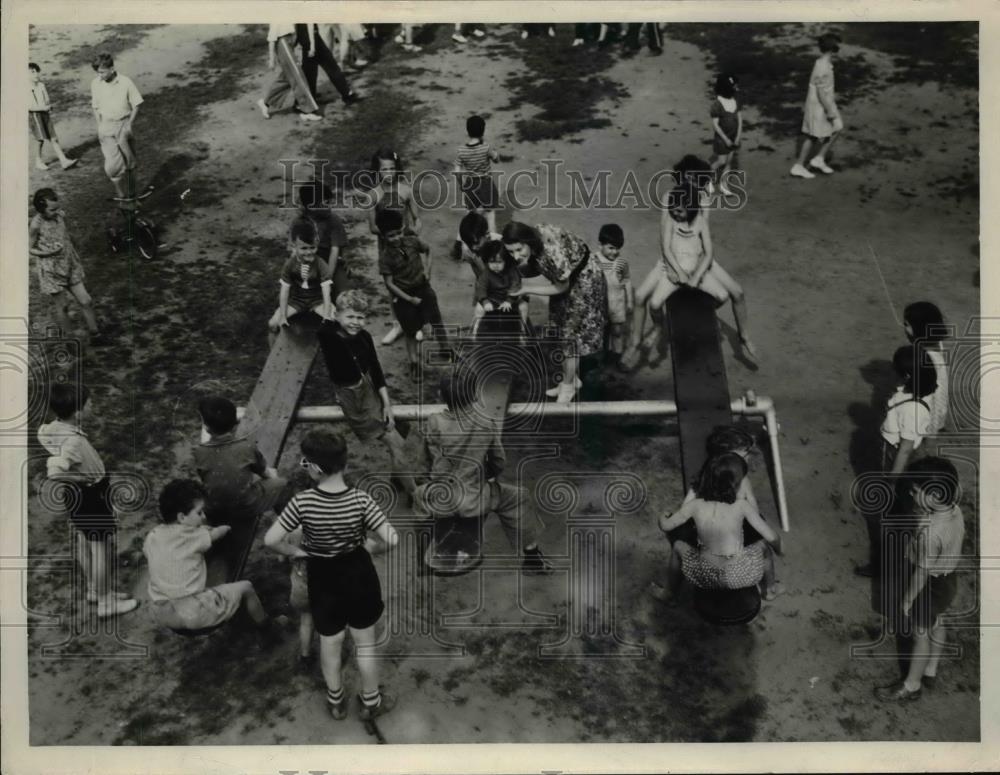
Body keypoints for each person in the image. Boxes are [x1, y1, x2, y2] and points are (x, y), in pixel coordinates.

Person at [264, 427, 399, 722]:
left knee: (330, 641)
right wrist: (372, 547)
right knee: (365, 643)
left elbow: (271, 539)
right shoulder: (362, 500)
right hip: (359, 575)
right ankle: (371, 701)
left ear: (314, 469)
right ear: (345, 463)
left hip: (323, 578)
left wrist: (297, 552)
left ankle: (336, 701)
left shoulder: (302, 503)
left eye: (305, 463)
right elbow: (393, 538)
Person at [416, 371, 553, 573]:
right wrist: (482, 476)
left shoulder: (434, 421)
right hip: (474, 498)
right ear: (474, 396)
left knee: (420, 497)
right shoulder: (485, 422)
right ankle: (533, 559)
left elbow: (422, 464)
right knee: (518, 498)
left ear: (441, 396)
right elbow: (499, 462)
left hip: (441, 497)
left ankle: (422, 560)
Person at [621, 181, 757, 370]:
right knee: (649, 301)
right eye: (674, 210)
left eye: (680, 211)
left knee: (726, 294)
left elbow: (707, 251)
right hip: (675, 266)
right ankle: (652, 331)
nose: (675, 213)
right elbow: (666, 245)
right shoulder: (671, 209)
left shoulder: (701, 213)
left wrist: (696, 276)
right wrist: (676, 271)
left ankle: (732, 331)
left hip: (696, 265)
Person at [37, 384, 137, 617]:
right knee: (100, 547)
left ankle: (94, 589)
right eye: (88, 403)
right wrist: (81, 478)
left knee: (85, 542)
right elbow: (55, 473)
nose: (92, 405)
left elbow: (42, 434)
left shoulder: (53, 428)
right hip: (91, 496)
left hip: (77, 497)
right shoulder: (72, 442)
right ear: (78, 413)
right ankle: (105, 603)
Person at [874, 456, 965, 702]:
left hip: (928, 585)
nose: (911, 495)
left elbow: (922, 573)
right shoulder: (954, 510)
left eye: (916, 491)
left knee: (919, 633)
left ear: (935, 495)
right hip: (947, 580)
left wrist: (907, 601)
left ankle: (912, 685)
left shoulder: (931, 533)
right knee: (937, 621)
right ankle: (930, 669)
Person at [144, 480, 279, 641]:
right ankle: (267, 628)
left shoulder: (153, 535)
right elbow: (216, 534)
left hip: (163, 612)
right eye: (199, 512)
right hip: (194, 614)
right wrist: (225, 528)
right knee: (246, 587)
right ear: (181, 517)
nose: (204, 516)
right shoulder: (194, 536)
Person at [316, 290, 415, 495]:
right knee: (398, 444)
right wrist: (330, 309)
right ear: (336, 316)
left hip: (368, 385)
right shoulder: (330, 338)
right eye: (350, 317)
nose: (355, 322)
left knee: (402, 429)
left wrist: (387, 405)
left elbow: (376, 369)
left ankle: (399, 478)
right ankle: (415, 494)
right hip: (354, 398)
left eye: (360, 317)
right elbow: (323, 328)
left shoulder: (364, 337)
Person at [654, 452, 783, 601]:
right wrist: (779, 550)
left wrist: (663, 516)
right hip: (739, 576)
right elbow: (773, 538)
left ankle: (669, 593)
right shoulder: (742, 506)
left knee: (678, 547)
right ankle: (771, 590)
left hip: (704, 576)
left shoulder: (695, 506)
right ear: (736, 484)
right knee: (764, 547)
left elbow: (666, 526)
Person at [503, 222, 608, 403]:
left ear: (528, 240)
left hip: (584, 281)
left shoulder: (551, 252)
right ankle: (572, 379)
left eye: (519, 250)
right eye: (511, 252)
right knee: (561, 327)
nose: (516, 256)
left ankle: (567, 388)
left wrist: (526, 289)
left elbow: (561, 287)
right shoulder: (534, 237)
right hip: (568, 275)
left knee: (571, 338)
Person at [192, 396, 290, 525]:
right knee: (283, 484)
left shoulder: (198, 452)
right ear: (235, 424)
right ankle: (287, 523)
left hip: (214, 510)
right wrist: (273, 475)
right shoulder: (246, 446)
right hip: (246, 508)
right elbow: (265, 473)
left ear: (206, 427)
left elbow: (205, 477)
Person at [376, 208, 448, 381]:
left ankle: (445, 349)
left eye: (398, 233)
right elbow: (389, 284)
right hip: (404, 297)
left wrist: (428, 271)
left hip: (423, 288)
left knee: (436, 320)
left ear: (402, 229)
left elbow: (428, 250)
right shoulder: (385, 257)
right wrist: (408, 299)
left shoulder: (413, 241)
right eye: (391, 236)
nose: (396, 238)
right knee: (410, 331)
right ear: (383, 236)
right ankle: (414, 363)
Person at [29, 189, 104, 346]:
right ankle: (69, 340)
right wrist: (47, 252)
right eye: (52, 210)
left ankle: (95, 334)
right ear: (41, 209)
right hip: (51, 270)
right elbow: (30, 248)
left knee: (86, 301)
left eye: (57, 208)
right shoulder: (36, 225)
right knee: (63, 306)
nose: (57, 212)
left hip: (70, 264)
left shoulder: (59, 215)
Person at [365, 147, 423, 346]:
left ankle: (417, 323)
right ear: (377, 171)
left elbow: (416, 218)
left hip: (406, 245)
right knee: (393, 287)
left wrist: (415, 229)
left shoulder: (406, 190)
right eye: (384, 170)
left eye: (392, 169)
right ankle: (398, 324)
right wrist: (389, 233)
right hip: (387, 248)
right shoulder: (373, 195)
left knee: (414, 281)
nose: (388, 173)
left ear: (397, 169)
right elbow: (372, 227)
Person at [267, 219, 334, 347]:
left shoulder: (320, 264)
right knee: (272, 323)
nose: (309, 252)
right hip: (297, 301)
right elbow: (285, 290)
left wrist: (326, 316)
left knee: (336, 321)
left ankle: (334, 352)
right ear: (294, 246)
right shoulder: (290, 264)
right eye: (304, 248)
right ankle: (275, 354)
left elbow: (326, 292)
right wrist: (283, 316)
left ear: (317, 243)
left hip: (317, 301)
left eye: (312, 247)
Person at [791, 33, 844, 179]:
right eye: (838, 46)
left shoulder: (822, 63)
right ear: (833, 49)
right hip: (820, 106)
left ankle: (818, 159)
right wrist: (829, 110)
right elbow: (820, 92)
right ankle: (799, 166)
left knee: (836, 127)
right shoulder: (823, 67)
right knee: (814, 135)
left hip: (825, 103)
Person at [90, 53, 142, 199]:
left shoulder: (125, 82)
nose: (99, 75)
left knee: (130, 162)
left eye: (102, 72)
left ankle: (132, 195)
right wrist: (100, 125)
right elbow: (95, 106)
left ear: (111, 68)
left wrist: (129, 125)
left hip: (123, 125)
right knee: (112, 166)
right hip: (106, 127)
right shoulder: (95, 83)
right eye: (97, 72)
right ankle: (121, 195)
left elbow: (137, 104)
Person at [291, 180, 350, 295]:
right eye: (326, 202)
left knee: (345, 294)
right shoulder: (299, 222)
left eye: (330, 201)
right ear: (312, 207)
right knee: (293, 292)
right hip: (307, 262)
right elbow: (295, 251)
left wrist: (328, 277)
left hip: (331, 263)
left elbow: (335, 250)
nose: (330, 206)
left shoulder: (333, 220)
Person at [257, 24, 322, 122]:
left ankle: (266, 102)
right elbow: (271, 38)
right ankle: (307, 111)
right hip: (282, 43)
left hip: (290, 42)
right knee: (297, 75)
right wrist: (272, 59)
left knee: (287, 77)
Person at [904, 301, 949, 436]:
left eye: (906, 324)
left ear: (919, 328)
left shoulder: (923, 360)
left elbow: (930, 396)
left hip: (927, 415)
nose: (904, 328)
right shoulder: (935, 344)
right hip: (937, 409)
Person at [594, 224, 634, 367]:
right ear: (600, 245)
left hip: (617, 303)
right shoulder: (594, 260)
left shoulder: (621, 262)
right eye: (611, 248)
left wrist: (630, 301)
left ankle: (617, 359)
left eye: (617, 248)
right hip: (600, 305)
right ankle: (601, 359)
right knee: (601, 332)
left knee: (617, 332)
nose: (615, 252)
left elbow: (626, 280)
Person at [455, 115, 502, 234]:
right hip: (485, 184)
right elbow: (497, 159)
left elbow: (457, 171)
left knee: (470, 215)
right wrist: (495, 153)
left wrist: (462, 185)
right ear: (483, 131)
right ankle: (492, 239)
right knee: (490, 214)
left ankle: (465, 240)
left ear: (467, 131)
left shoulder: (461, 150)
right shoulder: (486, 147)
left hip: (470, 184)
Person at [296, 24, 363, 107]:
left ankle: (305, 100)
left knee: (311, 71)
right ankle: (303, 101)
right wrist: (312, 45)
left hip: (309, 37)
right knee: (327, 67)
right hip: (311, 37)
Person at [473, 240, 529, 338]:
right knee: (479, 308)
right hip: (492, 299)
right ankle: (476, 327)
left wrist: (509, 300)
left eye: (499, 262)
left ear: (506, 261)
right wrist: (485, 301)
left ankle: (523, 327)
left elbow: (515, 286)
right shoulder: (486, 273)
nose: (495, 265)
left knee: (523, 306)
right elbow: (481, 288)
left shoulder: (512, 271)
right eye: (491, 262)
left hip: (511, 298)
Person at [29, 63, 77, 171]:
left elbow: (46, 99)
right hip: (35, 115)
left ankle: (63, 160)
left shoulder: (41, 85)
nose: (36, 74)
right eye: (32, 72)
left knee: (53, 138)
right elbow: (29, 107)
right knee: (40, 139)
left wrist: (48, 105)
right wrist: (43, 107)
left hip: (45, 113)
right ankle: (38, 161)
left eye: (37, 71)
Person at [709, 73, 742, 196]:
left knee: (729, 162)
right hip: (722, 139)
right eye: (735, 86)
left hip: (733, 137)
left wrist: (737, 137)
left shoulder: (735, 101)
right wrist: (725, 139)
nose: (737, 88)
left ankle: (724, 185)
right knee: (721, 161)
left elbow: (740, 120)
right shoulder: (717, 104)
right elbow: (715, 125)